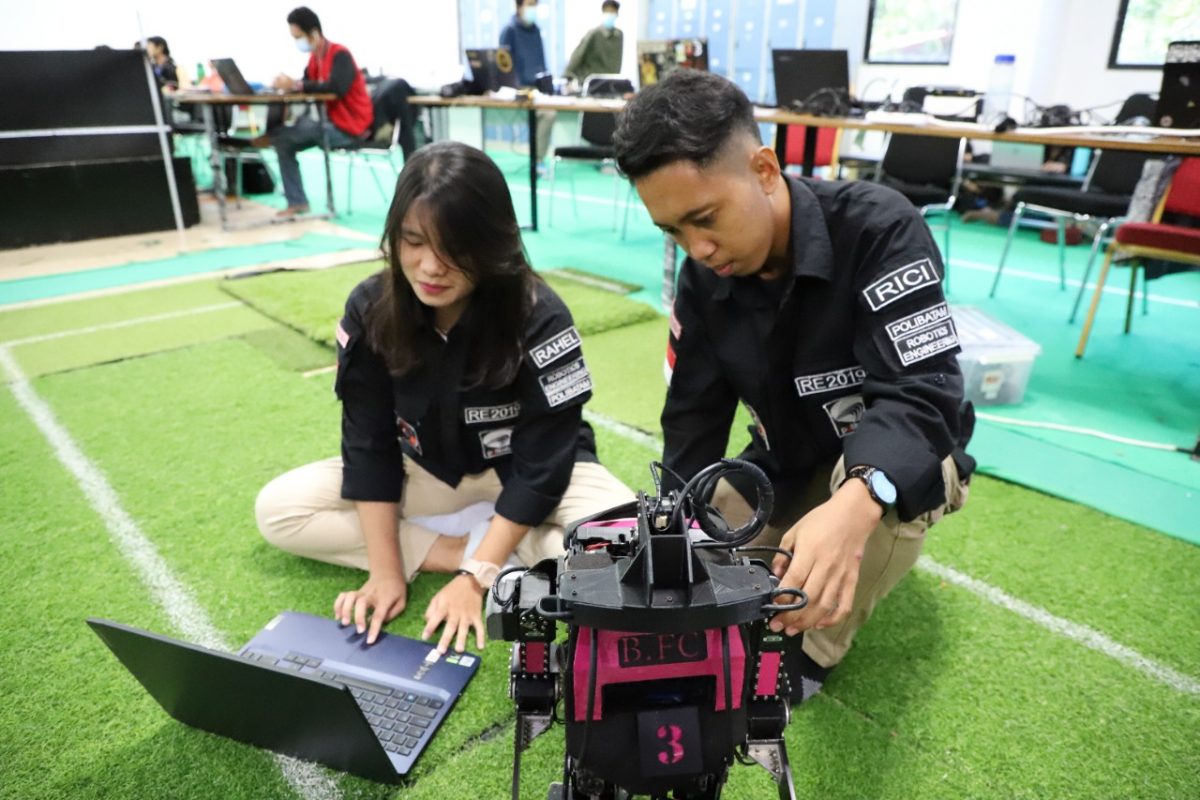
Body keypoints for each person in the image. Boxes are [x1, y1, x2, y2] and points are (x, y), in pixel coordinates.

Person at [611, 70, 974, 703]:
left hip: (898, 458)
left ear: (764, 169)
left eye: (704, 218)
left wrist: (856, 503)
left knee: (862, 509)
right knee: (699, 559)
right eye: (672, 231)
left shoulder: (880, 227)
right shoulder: (703, 278)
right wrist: (672, 530)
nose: (697, 248)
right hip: (784, 457)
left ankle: (814, 650)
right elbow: (693, 417)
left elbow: (924, 392)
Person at [255, 141, 635, 654]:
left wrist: (476, 579)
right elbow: (368, 446)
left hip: (530, 473)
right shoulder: (371, 307)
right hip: (426, 473)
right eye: (413, 241)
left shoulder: (540, 314)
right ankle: (473, 547)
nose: (430, 266)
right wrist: (387, 572)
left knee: (630, 548)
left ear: (493, 244)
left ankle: (498, 548)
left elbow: (545, 465)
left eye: (453, 248)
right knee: (279, 510)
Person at [253, 6, 373, 218]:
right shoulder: (314, 59)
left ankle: (268, 137)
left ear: (314, 33)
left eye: (298, 37)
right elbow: (306, 83)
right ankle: (297, 201)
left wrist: (296, 85)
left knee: (290, 133)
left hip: (351, 127)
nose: (297, 42)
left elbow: (336, 88)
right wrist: (286, 85)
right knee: (283, 141)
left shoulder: (340, 54)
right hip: (328, 124)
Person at [499, 0, 555, 164]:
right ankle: (537, 161)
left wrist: (547, 86)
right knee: (546, 114)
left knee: (549, 113)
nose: (533, 8)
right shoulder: (509, 30)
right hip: (515, 90)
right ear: (519, 6)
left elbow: (542, 64)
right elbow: (503, 65)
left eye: (535, 4)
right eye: (529, 4)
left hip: (537, 90)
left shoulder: (536, 31)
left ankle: (538, 160)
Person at [565, 1, 623, 86]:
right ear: (603, 12)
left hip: (610, 83)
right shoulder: (594, 34)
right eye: (608, 11)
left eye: (613, 12)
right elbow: (577, 55)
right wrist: (567, 76)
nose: (610, 14)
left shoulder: (619, 35)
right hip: (591, 83)